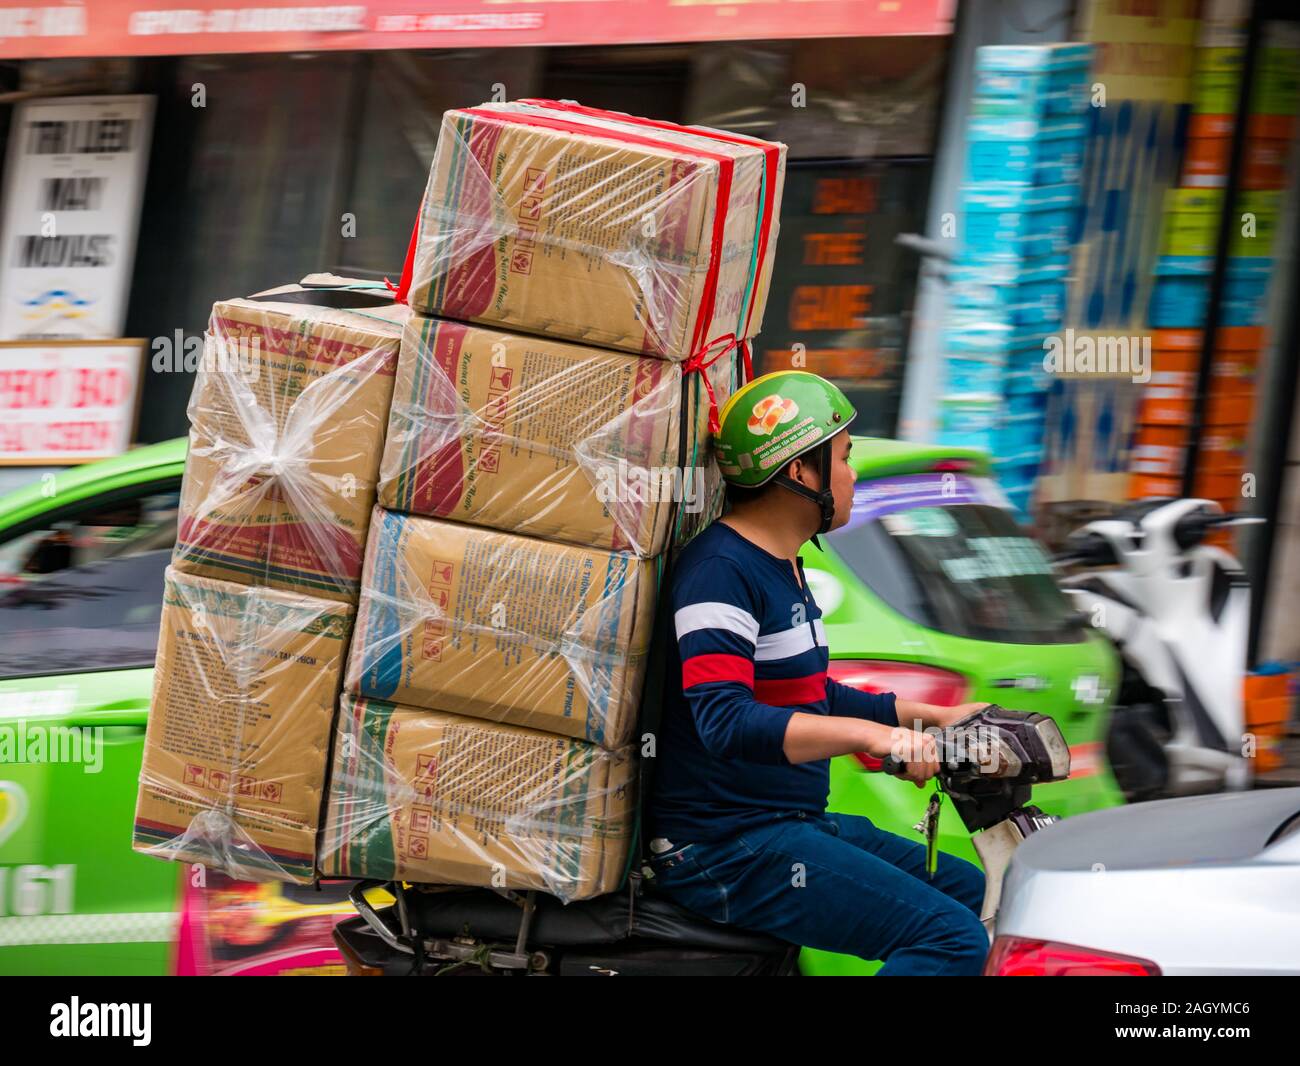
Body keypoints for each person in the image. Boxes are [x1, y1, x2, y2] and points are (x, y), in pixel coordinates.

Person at [645, 370, 991, 975]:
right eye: (844, 458)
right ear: (801, 473)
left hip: (789, 823)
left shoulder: (786, 566)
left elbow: (807, 694)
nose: (853, 475)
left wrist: (929, 716)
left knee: (980, 893)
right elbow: (724, 720)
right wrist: (874, 739)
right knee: (952, 940)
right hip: (725, 848)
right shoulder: (720, 572)